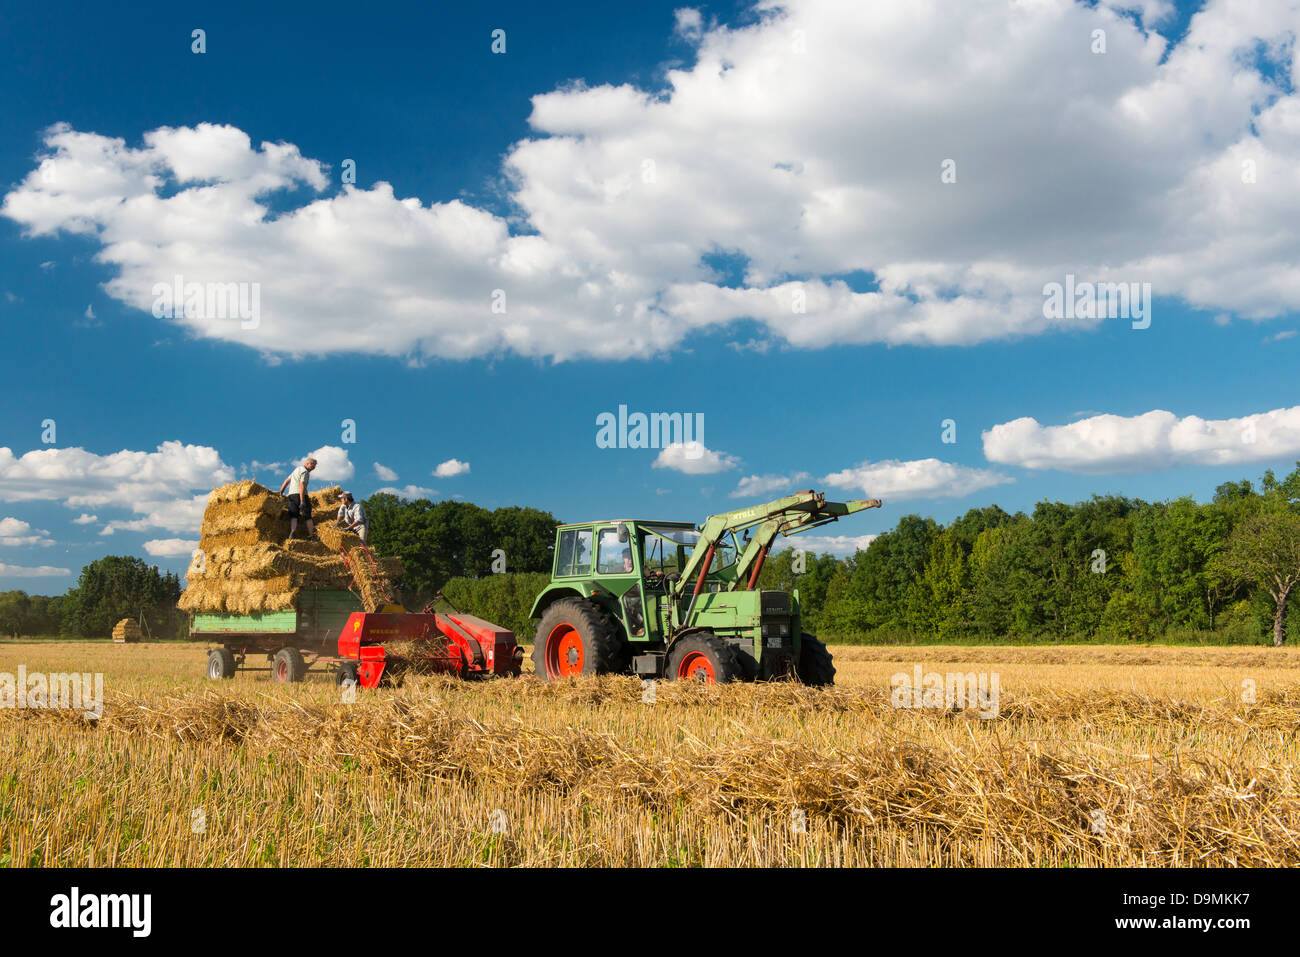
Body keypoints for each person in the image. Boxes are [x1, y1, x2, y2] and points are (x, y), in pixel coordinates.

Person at [279, 457, 317, 539]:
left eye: (314, 466)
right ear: (306, 464)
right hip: (300, 494)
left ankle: (292, 533)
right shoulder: (305, 472)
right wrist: (302, 500)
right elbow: (302, 485)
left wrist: (281, 492)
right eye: (312, 465)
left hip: (291, 495)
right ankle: (311, 535)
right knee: (308, 516)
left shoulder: (296, 470)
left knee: (294, 515)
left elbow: (286, 481)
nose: (313, 467)